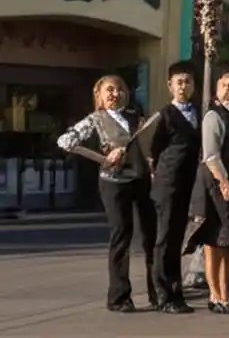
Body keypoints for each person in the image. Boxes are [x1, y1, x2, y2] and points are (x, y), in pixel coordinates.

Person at [57, 75, 157, 312]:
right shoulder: (95, 119)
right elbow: (65, 141)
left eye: (120, 89)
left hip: (141, 180)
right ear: (99, 95)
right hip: (114, 182)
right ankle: (119, 297)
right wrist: (102, 159)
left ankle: (158, 291)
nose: (115, 94)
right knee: (121, 236)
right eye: (109, 90)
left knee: (152, 236)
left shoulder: (136, 117)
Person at [185, 65, 229, 314]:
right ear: (216, 89)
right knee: (216, 241)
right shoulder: (214, 116)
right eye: (225, 85)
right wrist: (223, 182)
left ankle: (225, 291)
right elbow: (211, 155)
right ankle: (216, 295)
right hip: (216, 184)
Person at [148, 61, 202, 314]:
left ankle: (176, 292)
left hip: (188, 183)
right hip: (168, 182)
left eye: (187, 82)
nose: (183, 87)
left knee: (177, 238)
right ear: (170, 85)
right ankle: (163, 295)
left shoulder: (199, 112)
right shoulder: (165, 115)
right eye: (179, 82)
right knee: (165, 239)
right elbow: (154, 150)